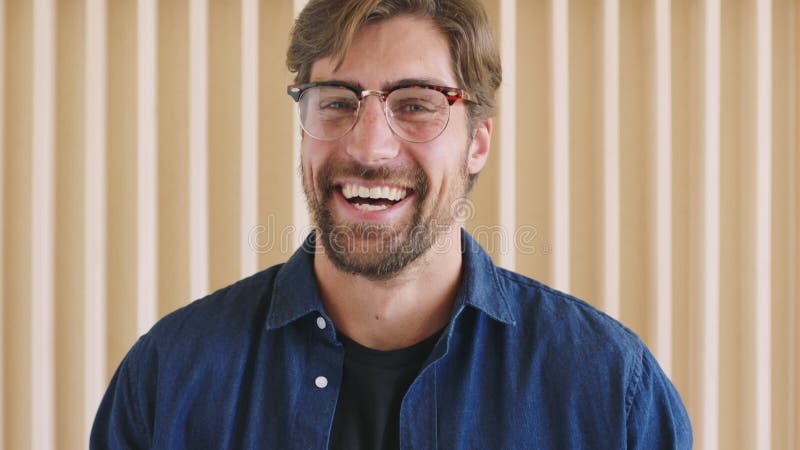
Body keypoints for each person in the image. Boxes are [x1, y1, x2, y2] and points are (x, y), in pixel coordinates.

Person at [91, 0, 692, 448]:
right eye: (336, 101)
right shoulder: (169, 379)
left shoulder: (610, 391)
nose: (371, 147)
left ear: (477, 142)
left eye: (416, 105)